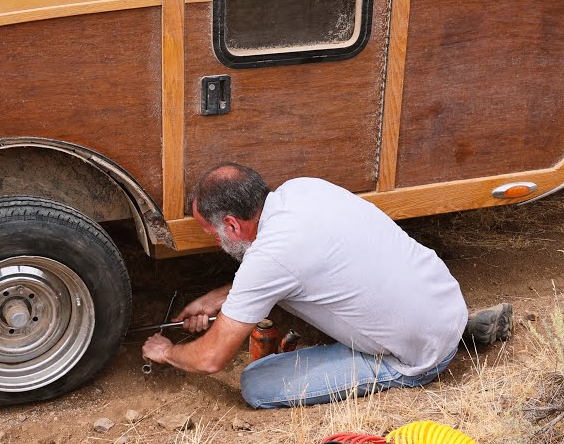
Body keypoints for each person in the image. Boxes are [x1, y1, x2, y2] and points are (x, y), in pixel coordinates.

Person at [141, 163, 510, 409]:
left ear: (232, 225)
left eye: (211, 232)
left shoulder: (270, 259)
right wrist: (219, 297)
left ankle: (415, 363)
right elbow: (287, 268)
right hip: (446, 303)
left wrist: (168, 352)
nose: (214, 240)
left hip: (419, 357)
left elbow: (210, 359)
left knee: (257, 384)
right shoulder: (304, 189)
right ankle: (461, 334)